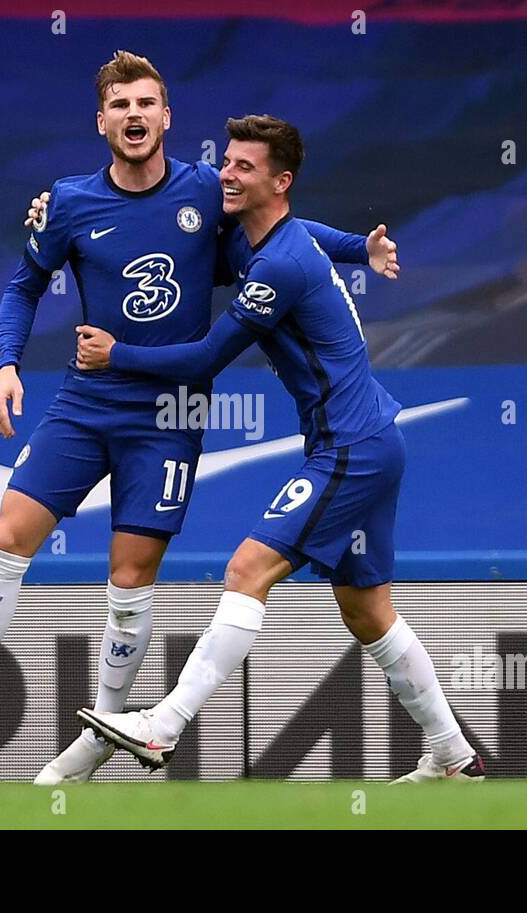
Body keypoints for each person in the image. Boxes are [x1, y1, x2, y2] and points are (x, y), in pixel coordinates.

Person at [0, 52, 398, 786]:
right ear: (101, 121)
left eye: (147, 103)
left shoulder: (205, 192)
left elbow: (278, 227)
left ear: (167, 118)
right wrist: (7, 363)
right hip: (86, 400)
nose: (134, 115)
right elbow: (23, 285)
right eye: (120, 105)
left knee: (130, 576)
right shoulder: (67, 202)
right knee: (8, 533)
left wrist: (359, 248)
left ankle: (100, 737)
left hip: (168, 413)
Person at [75, 115, 483, 783]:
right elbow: (316, 233)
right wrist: (361, 248)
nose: (226, 174)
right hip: (372, 440)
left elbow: (208, 355)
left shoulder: (281, 265)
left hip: (351, 448)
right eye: (227, 162)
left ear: (280, 180)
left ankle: (165, 726)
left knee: (247, 571)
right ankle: (453, 755)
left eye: (243, 167)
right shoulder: (272, 239)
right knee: (367, 609)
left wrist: (118, 353)